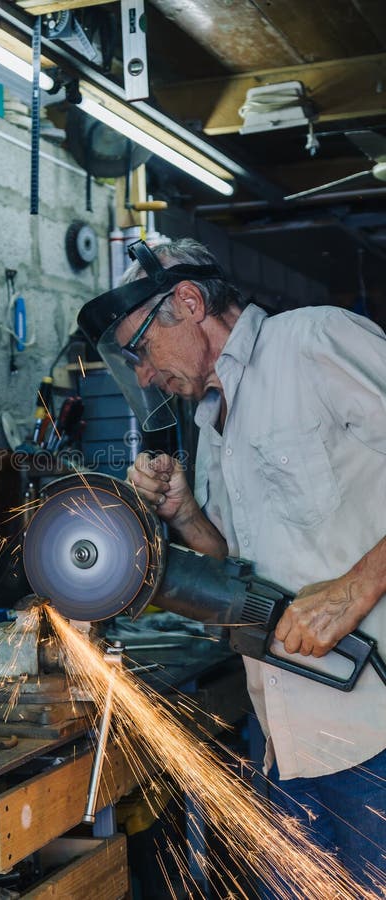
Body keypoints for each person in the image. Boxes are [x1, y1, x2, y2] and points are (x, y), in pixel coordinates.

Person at [76, 237, 386, 893]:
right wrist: (187, 514)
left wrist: (358, 587)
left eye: (140, 350)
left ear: (187, 303)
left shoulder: (313, 343)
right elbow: (235, 567)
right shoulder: (216, 418)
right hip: (283, 741)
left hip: (371, 737)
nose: (142, 374)